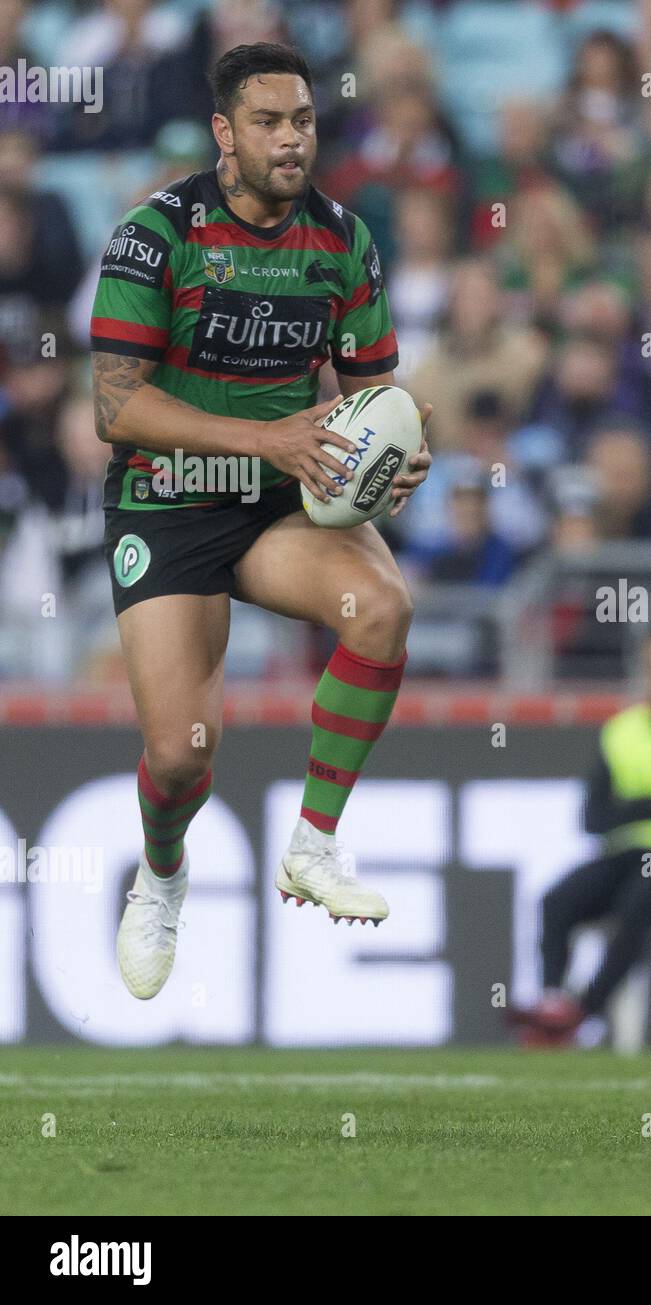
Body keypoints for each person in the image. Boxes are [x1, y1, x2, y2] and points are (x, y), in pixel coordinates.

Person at [90, 42, 431, 1000]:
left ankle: (314, 843)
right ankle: (161, 873)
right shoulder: (156, 234)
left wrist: (398, 455)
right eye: (270, 123)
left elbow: (375, 400)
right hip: (167, 498)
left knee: (384, 607)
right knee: (178, 754)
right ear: (223, 136)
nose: (292, 140)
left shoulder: (345, 241)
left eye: (305, 121)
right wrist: (266, 437)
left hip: (283, 495)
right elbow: (116, 406)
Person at [506, 627, 651, 1045]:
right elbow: (593, 817)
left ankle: (583, 1012)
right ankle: (552, 1000)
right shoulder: (624, 730)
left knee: (637, 904)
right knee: (557, 899)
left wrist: (638, 806)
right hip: (627, 854)